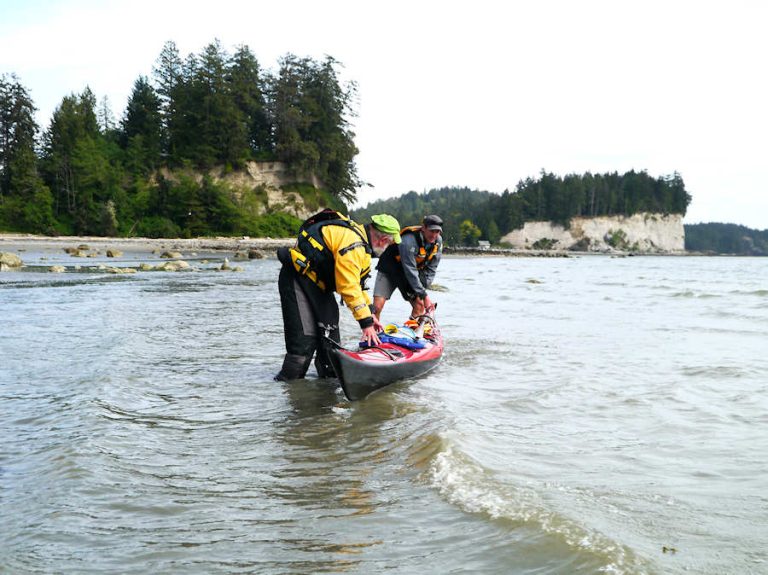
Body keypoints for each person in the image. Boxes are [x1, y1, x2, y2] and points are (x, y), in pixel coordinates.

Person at [275, 209, 402, 381]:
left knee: (331, 344)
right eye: (390, 244)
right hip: (298, 278)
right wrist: (365, 323)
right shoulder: (353, 245)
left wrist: (370, 313)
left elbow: (358, 286)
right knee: (303, 344)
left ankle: (328, 396)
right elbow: (347, 287)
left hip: (319, 286)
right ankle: (288, 390)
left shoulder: (362, 248)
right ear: (383, 239)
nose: (388, 248)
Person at [373, 214, 443, 320]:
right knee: (377, 307)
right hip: (389, 270)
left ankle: (413, 333)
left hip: (407, 275)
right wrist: (424, 295)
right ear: (423, 228)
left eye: (437, 232)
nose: (434, 235)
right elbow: (410, 269)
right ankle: (372, 333)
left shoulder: (438, 242)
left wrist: (423, 289)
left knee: (420, 305)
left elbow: (431, 269)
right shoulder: (408, 241)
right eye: (431, 231)